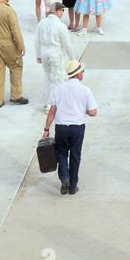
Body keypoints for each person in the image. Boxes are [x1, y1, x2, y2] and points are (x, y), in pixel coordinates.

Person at [43, 60, 99, 195]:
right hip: (77, 128)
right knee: (75, 156)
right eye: (82, 72)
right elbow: (93, 112)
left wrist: (46, 129)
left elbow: (52, 111)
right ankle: (73, 186)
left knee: (61, 153)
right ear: (78, 74)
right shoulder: (85, 90)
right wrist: (82, 109)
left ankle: (64, 179)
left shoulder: (59, 88)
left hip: (61, 127)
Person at [36, 3, 78, 108]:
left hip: (44, 53)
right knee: (57, 79)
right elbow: (68, 45)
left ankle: (47, 102)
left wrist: (38, 56)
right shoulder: (61, 26)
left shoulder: (41, 23)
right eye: (62, 10)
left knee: (48, 78)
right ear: (57, 11)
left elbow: (37, 40)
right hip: (55, 54)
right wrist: (74, 59)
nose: (62, 13)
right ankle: (52, 104)